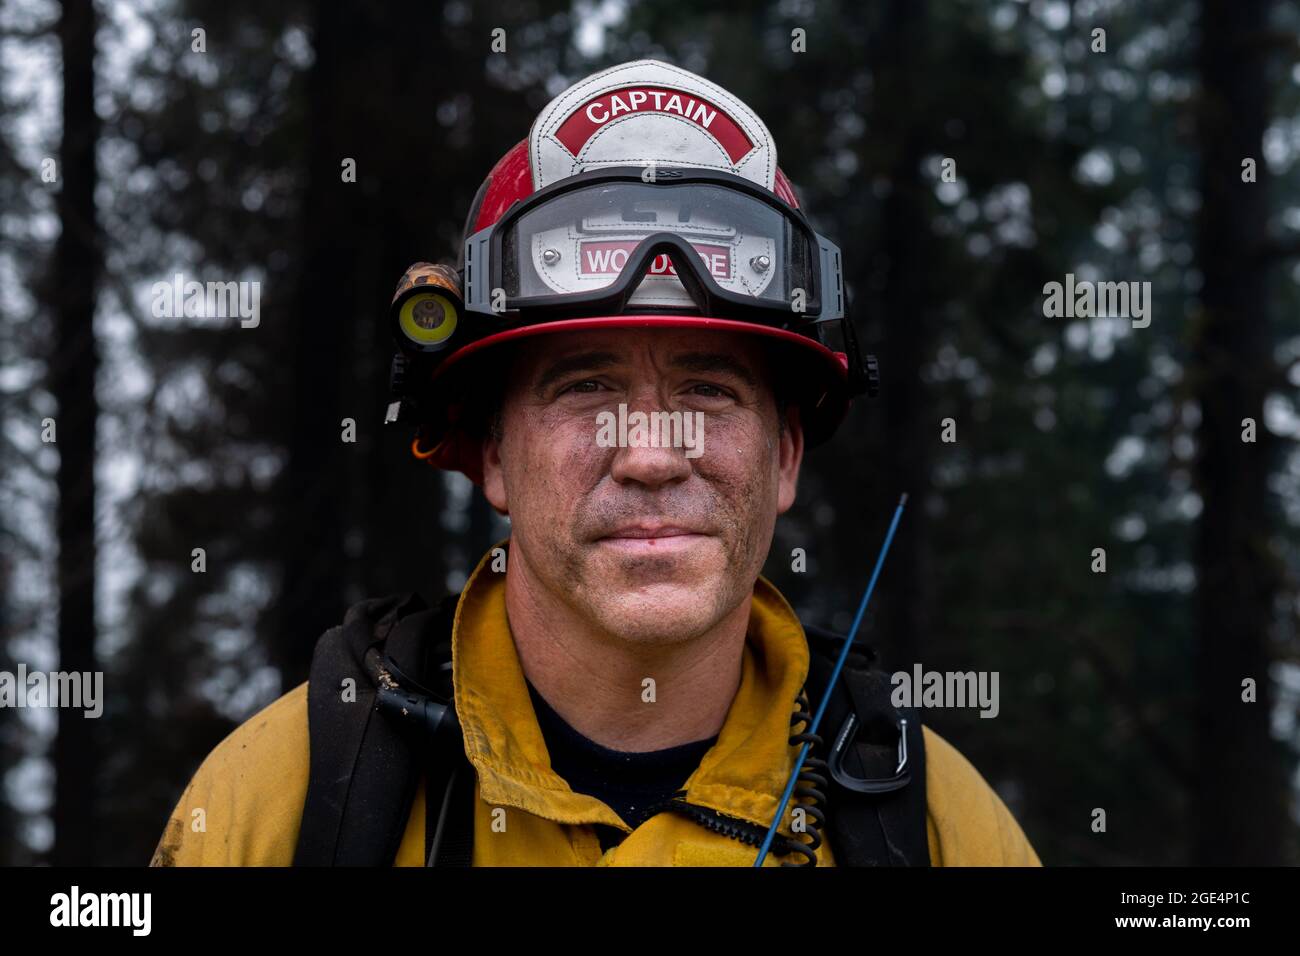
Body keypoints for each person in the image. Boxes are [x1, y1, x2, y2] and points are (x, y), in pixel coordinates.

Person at [151, 58, 1040, 867]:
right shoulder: (284, 801)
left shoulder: (930, 827)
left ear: (787, 457)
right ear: (494, 453)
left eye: (708, 392)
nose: (652, 455)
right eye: (585, 387)